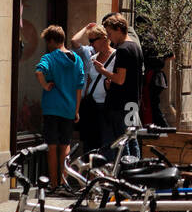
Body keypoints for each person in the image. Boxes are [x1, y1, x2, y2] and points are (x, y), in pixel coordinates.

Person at [34, 26, 86, 190]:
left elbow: (39, 72)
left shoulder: (49, 57)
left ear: (51, 41)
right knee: (65, 146)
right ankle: (64, 182)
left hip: (52, 108)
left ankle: (54, 183)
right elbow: (79, 88)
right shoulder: (77, 60)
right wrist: (76, 110)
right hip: (68, 108)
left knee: (52, 146)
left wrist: (45, 85)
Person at [94, 14, 143, 158]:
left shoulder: (122, 49)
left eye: (109, 33)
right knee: (132, 139)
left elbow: (120, 79)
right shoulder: (135, 46)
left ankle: (126, 172)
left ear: (119, 30)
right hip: (133, 101)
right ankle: (135, 171)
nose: (109, 37)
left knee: (123, 141)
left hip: (121, 103)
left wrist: (103, 71)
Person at [70, 23, 114, 154]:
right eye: (90, 41)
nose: (91, 44)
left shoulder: (116, 56)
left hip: (106, 107)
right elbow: (89, 80)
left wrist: (104, 72)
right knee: (89, 144)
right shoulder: (92, 57)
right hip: (91, 106)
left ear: (104, 38)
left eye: (93, 40)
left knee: (106, 143)